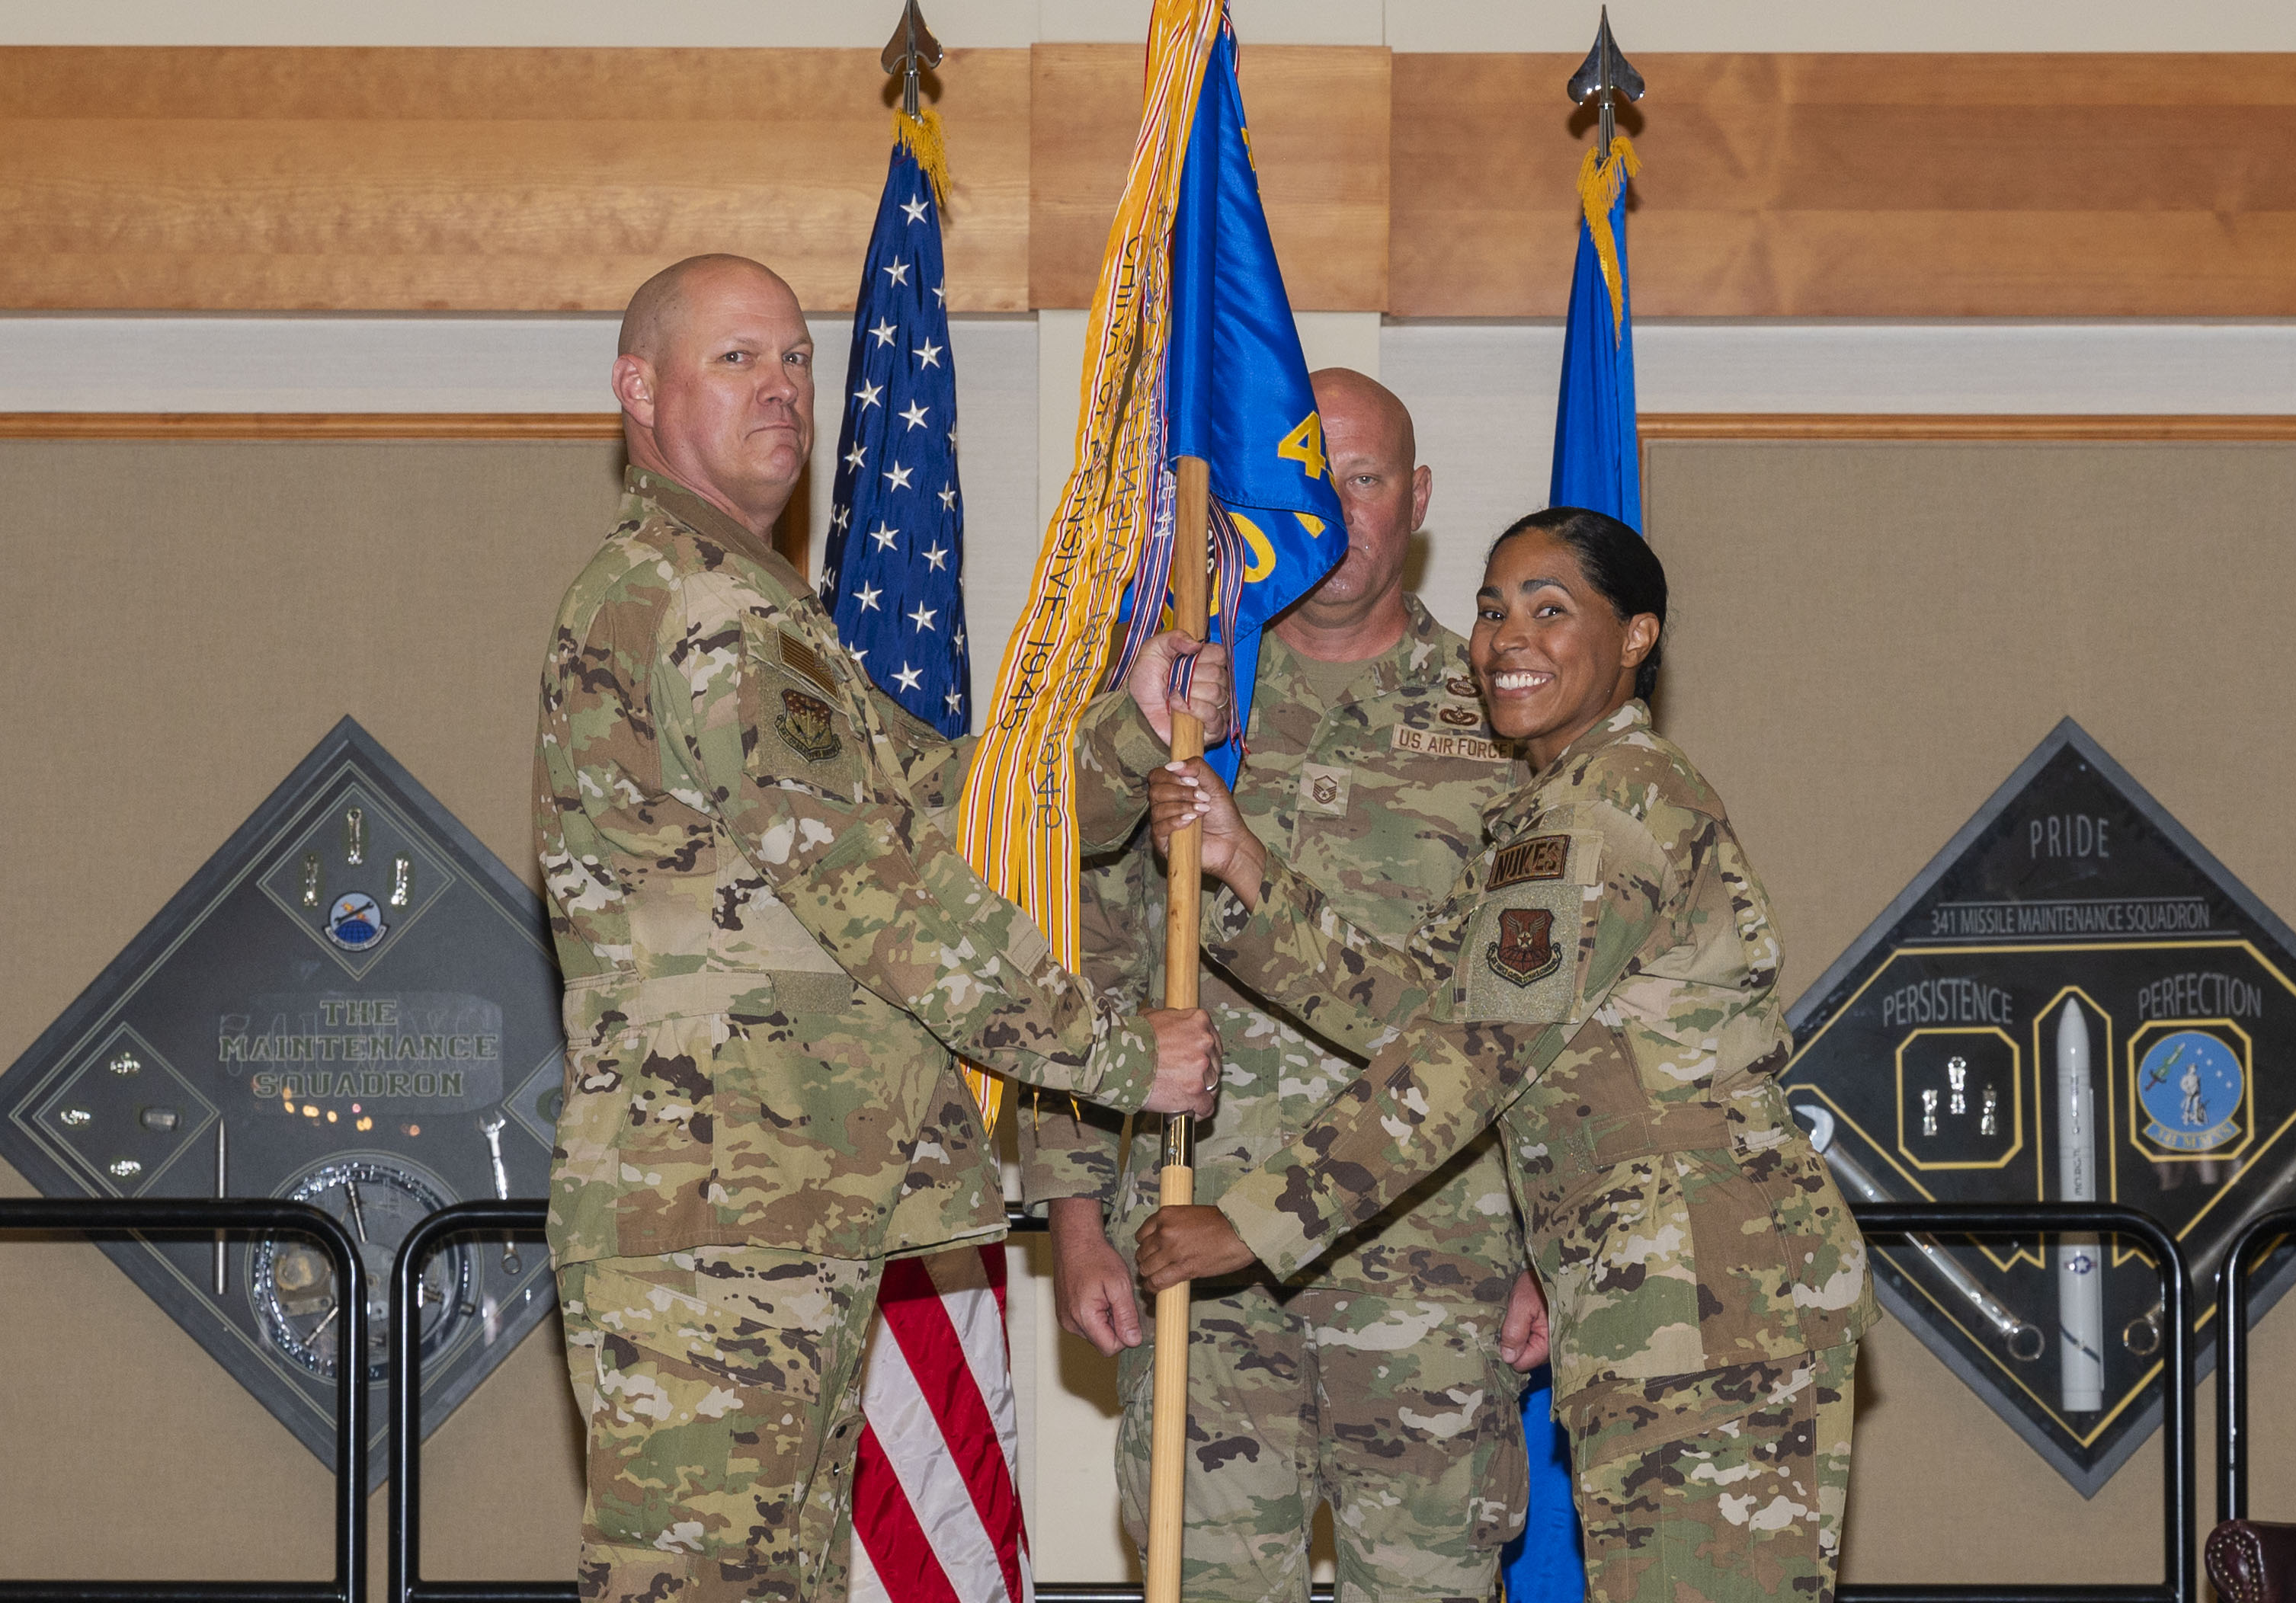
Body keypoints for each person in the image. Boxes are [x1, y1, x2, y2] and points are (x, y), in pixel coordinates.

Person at [536, 254, 1228, 1603]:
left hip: (781, 1208)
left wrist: (1131, 722)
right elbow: (881, 892)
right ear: (638, 389)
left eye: (796, 358)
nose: (785, 389)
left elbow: (957, 808)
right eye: (737, 359)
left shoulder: (768, 609)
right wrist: (1112, 1053)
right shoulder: (700, 604)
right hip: (716, 1214)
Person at [1138, 507, 1879, 1603]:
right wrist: (1246, 873)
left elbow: (1471, 1056)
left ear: (1634, 638)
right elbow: (1411, 1009)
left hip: (1707, 1295)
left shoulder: (1610, 808)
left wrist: (1250, 1225)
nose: (1505, 640)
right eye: (1491, 610)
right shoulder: (1548, 811)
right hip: (1654, 1290)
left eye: (1550, 610)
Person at [1021, 370, 1547, 1602]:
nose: (1337, 515)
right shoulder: (1174, 714)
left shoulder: (1506, 723)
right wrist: (1075, 1222)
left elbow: (1543, 1027)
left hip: (1436, 1263)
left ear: (1415, 500)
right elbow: (1078, 969)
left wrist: (1551, 1254)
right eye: (1308, 484)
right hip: (1199, 1253)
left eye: (1364, 482)